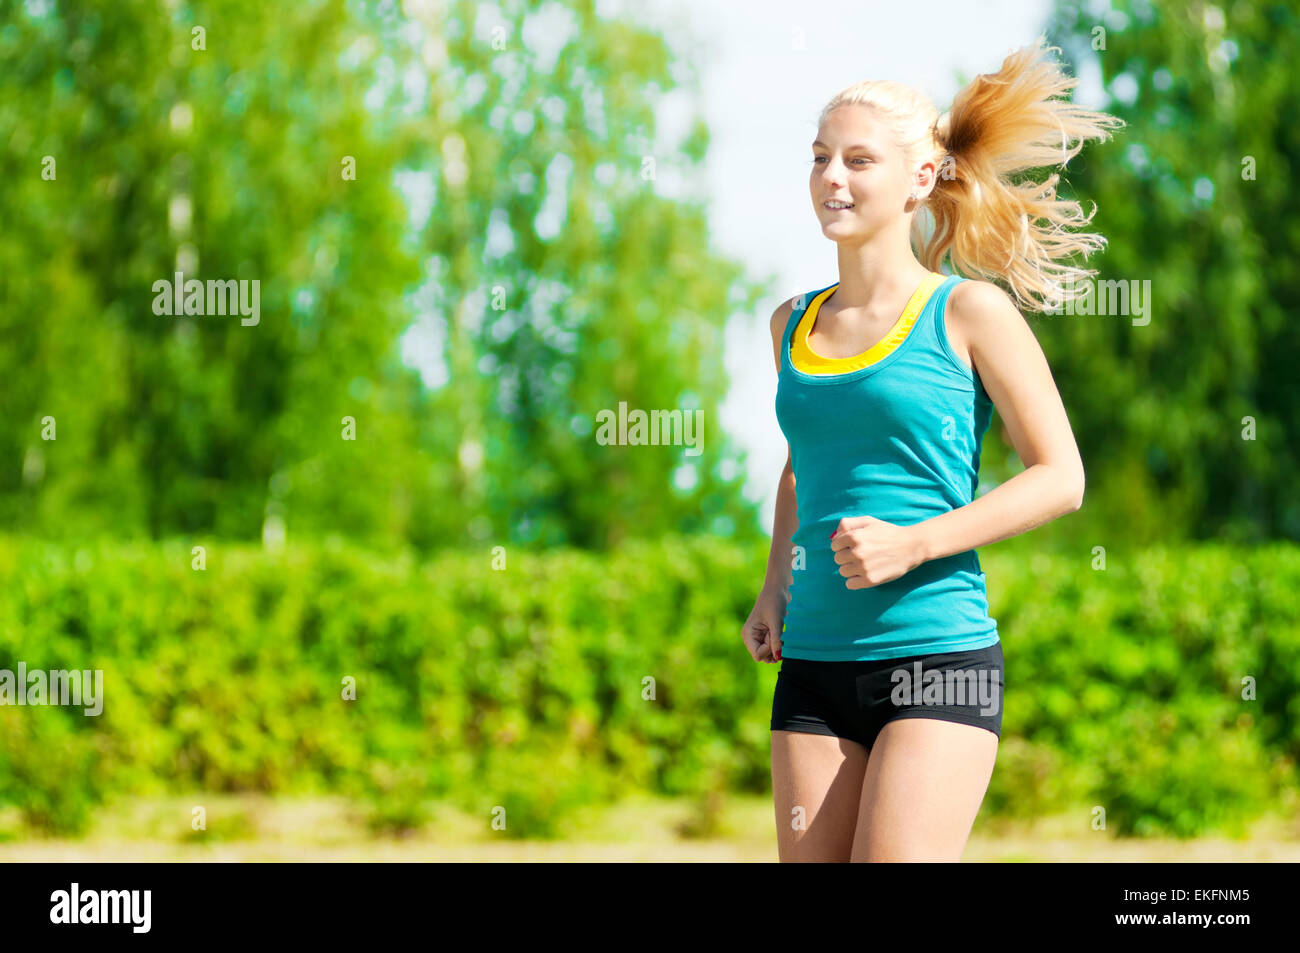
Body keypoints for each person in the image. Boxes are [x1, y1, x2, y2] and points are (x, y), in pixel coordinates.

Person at [741, 35, 1123, 862]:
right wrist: (773, 588)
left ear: (920, 179)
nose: (831, 178)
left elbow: (1062, 478)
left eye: (857, 160)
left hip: (938, 659)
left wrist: (915, 542)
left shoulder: (969, 315)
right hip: (812, 663)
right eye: (819, 158)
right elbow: (802, 465)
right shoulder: (792, 324)